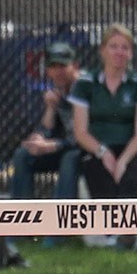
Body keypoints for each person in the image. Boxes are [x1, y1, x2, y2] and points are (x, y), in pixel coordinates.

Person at [70, 23, 137, 198]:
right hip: (96, 151)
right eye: (113, 46)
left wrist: (122, 161)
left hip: (130, 152)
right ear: (103, 50)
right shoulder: (85, 84)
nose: (119, 52)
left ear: (131, 53)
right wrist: (104, 154)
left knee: (131, 180)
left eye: (125, 47)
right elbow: (80, 132)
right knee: (101, 184)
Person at [9, 42, 82, 201]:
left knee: (70, 158)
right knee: (23, 155)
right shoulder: (58, 90)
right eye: (53, 66)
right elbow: (47, 128)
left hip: (88, 149)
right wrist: (39, 137)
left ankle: (63, 214)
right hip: (66, 145)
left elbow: (83, 137)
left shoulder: (84, 88)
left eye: (62, 66)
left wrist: (52, 145)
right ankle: (22, 214)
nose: (58, 72)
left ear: (74, 66)